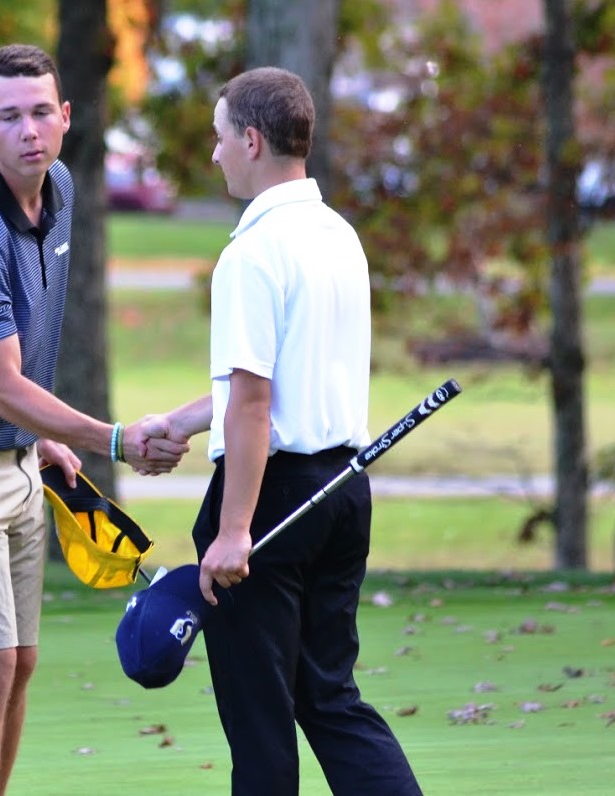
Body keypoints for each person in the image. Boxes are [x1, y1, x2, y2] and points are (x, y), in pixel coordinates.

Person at [0, 44, 186, 796]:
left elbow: (19, 360)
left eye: (41, 112)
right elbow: (4, 386)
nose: (28, 131)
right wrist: (110, 439)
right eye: (8, 117)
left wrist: (42, 437)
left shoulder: (64, 190)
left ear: (66, 116)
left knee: (19, 660)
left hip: (14, 453)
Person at [152, 67, 423, 794]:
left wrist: (233, 529)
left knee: (259, 720)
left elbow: (254, 402)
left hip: (270, 502)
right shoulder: (337, 235)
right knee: (328, 697)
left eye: (218, 139)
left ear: (249, 138)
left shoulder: (251, 252)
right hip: (341, 491)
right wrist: (180, 421)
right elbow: (279, 377)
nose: (214, 156)